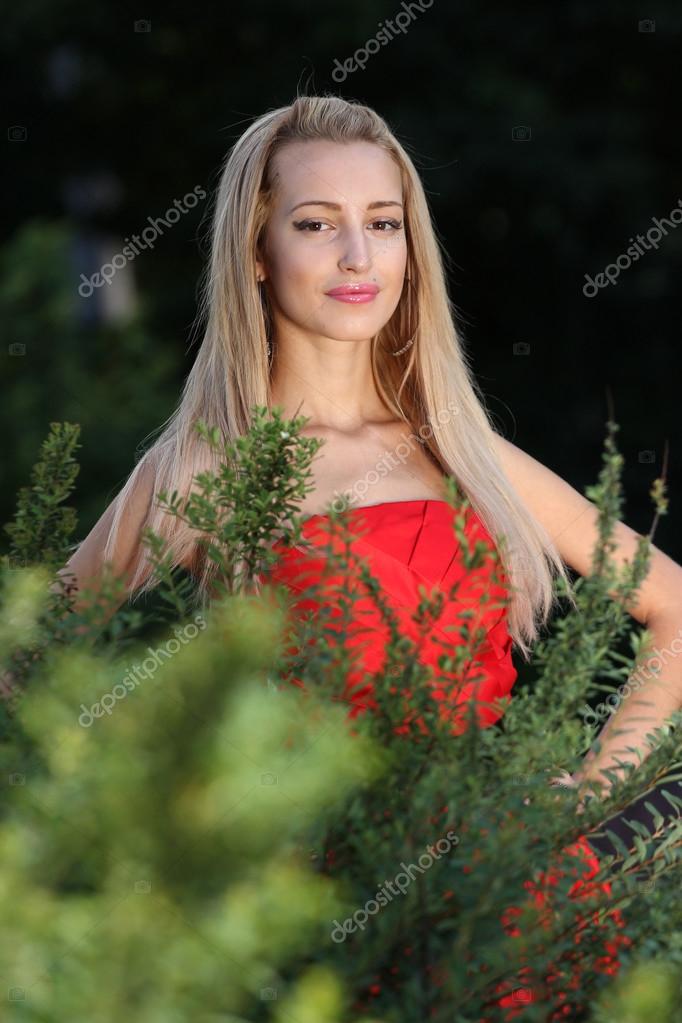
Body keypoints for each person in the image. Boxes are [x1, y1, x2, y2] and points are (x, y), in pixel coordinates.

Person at [27, 94, 682, 1012]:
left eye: (383, 223)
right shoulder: (208, 465)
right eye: (315, 223)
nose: (357, 257)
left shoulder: (462, 449)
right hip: (317, 915)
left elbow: (673, 602)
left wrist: (587, 791)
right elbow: (30, 659)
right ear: (257, 251)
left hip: (504, 895)